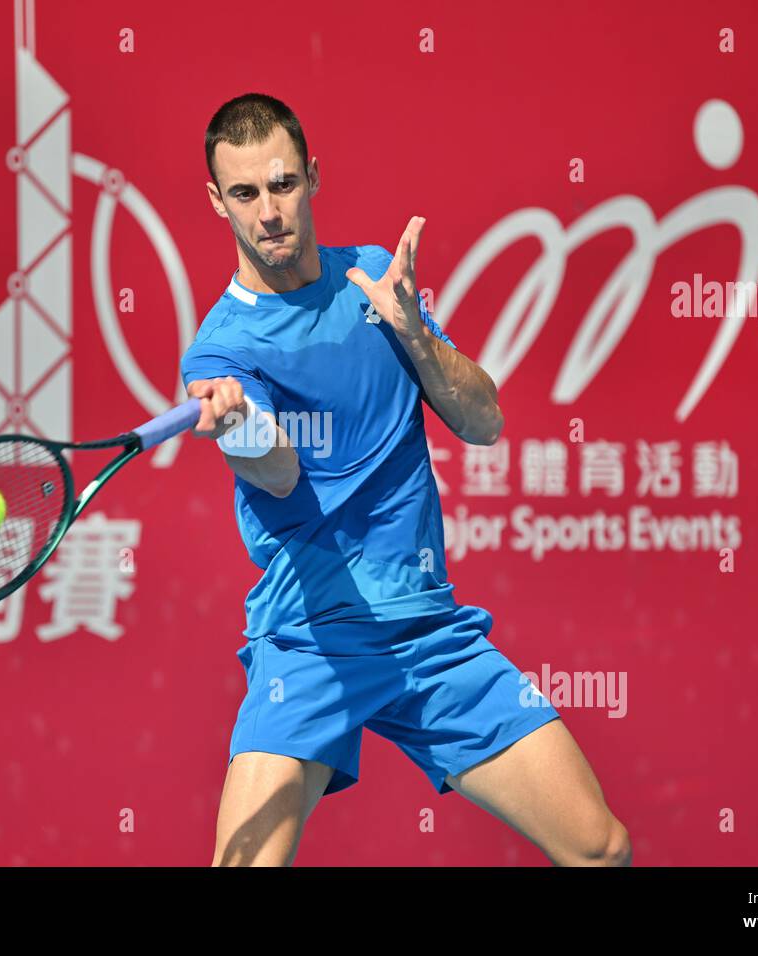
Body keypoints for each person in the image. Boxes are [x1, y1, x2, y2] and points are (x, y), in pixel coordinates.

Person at [181, 92, 630, 868]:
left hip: (426, 632)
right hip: (312, 641)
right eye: (246, 194)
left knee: (600, 847)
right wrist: (240, 426)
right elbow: (282, 475)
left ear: (313, 178)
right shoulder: (220, 351)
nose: (269, 213)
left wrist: (414, 331)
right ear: (217, 202)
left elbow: (484, 421)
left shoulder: (373, 281)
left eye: (283, 184)